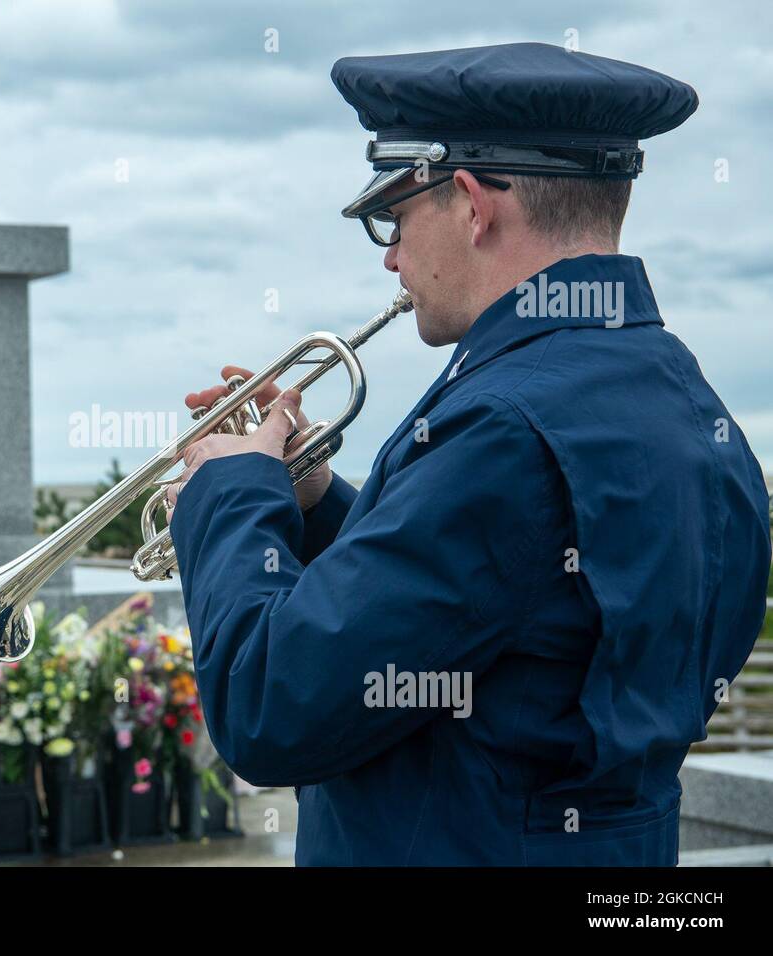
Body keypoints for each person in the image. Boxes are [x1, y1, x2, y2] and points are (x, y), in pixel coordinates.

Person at [165, 43, 772, 865]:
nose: (390, 256)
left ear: (474, 204)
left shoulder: (502, 425)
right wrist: (309, 501)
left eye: (397, 216)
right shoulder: (688, 401)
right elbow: (500, 608)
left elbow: (270, 709)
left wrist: (233, 491)